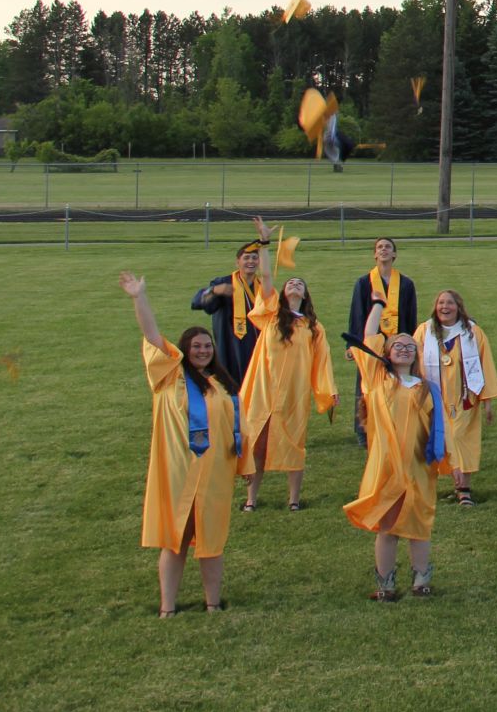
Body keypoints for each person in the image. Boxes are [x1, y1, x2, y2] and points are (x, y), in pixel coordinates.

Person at [121, 271, 243, 617]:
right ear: (185, 350)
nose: (203, 351)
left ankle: (213, 602)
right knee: (174, 541)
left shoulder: (222, 387)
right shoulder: (169, 377)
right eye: (196, 346)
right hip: (178, 470)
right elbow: (151, 334)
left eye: (207, 346)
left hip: (214, 474)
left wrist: (243, 467)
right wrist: (139, 297)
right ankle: (167, 606)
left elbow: (237, 430)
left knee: (212, 543)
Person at [345, 299, 447, 600]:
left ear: (416, 354)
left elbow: (438, 432)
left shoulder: (426, 388)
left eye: (409, 346)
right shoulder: (377, 380)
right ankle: (386, 585)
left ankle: (421, 581)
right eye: (397, 345)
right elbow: (369, 335)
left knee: (419, 525)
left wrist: (442, 461)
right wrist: (376, 302)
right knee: (387, 527)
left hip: (417, 466)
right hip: (386, 467)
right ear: (386, 354)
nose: (403, 348)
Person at [238, 274, 336, 512]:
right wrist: (263, 244)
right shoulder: (270, 318)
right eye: (290, 283)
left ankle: (294, 499)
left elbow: (322, 361)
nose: (294, 285)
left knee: (294, 443)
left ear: (305, 295)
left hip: (294, 393)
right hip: (265, 390)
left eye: (300, 284)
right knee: (257, 445)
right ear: (283, 293)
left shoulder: (313, 327)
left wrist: (328, 390)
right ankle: (251, 499)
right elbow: (267, 279)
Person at [418, 290, 497, 506]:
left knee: (460, 439)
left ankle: (464, 489)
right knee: (438, 440)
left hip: (465, 398)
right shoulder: (424, 331)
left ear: (459, 307)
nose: (445, 307)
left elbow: (486, 365)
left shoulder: (473, 333)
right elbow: (412, 362)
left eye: (450, 303)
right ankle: (443, 485)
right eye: (441, 303)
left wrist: (487, 402)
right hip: (433, 399)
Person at [348, 237, 418, 448]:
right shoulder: (364, 282)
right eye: (380, 247)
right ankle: (363, 429)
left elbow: (410, 315)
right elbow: (357, 314)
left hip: (397, 342)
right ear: (375, 255)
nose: (384, 250)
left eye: (388, 247)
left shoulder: (406, 283)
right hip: (372, 342)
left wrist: (411, 342)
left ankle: (395, 423)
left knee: (396, 382)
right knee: (366, 384)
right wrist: (353, 345)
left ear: (395, 254)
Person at [192, 216, 274, 385]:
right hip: (229, 349)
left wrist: (264, 241)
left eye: (254, 258)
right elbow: (198, 301)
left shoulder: (263, 288)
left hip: (257, 349)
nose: (250, 261)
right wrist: (214, 291)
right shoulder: (222, 284)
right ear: (238, 262)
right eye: (246, 258)